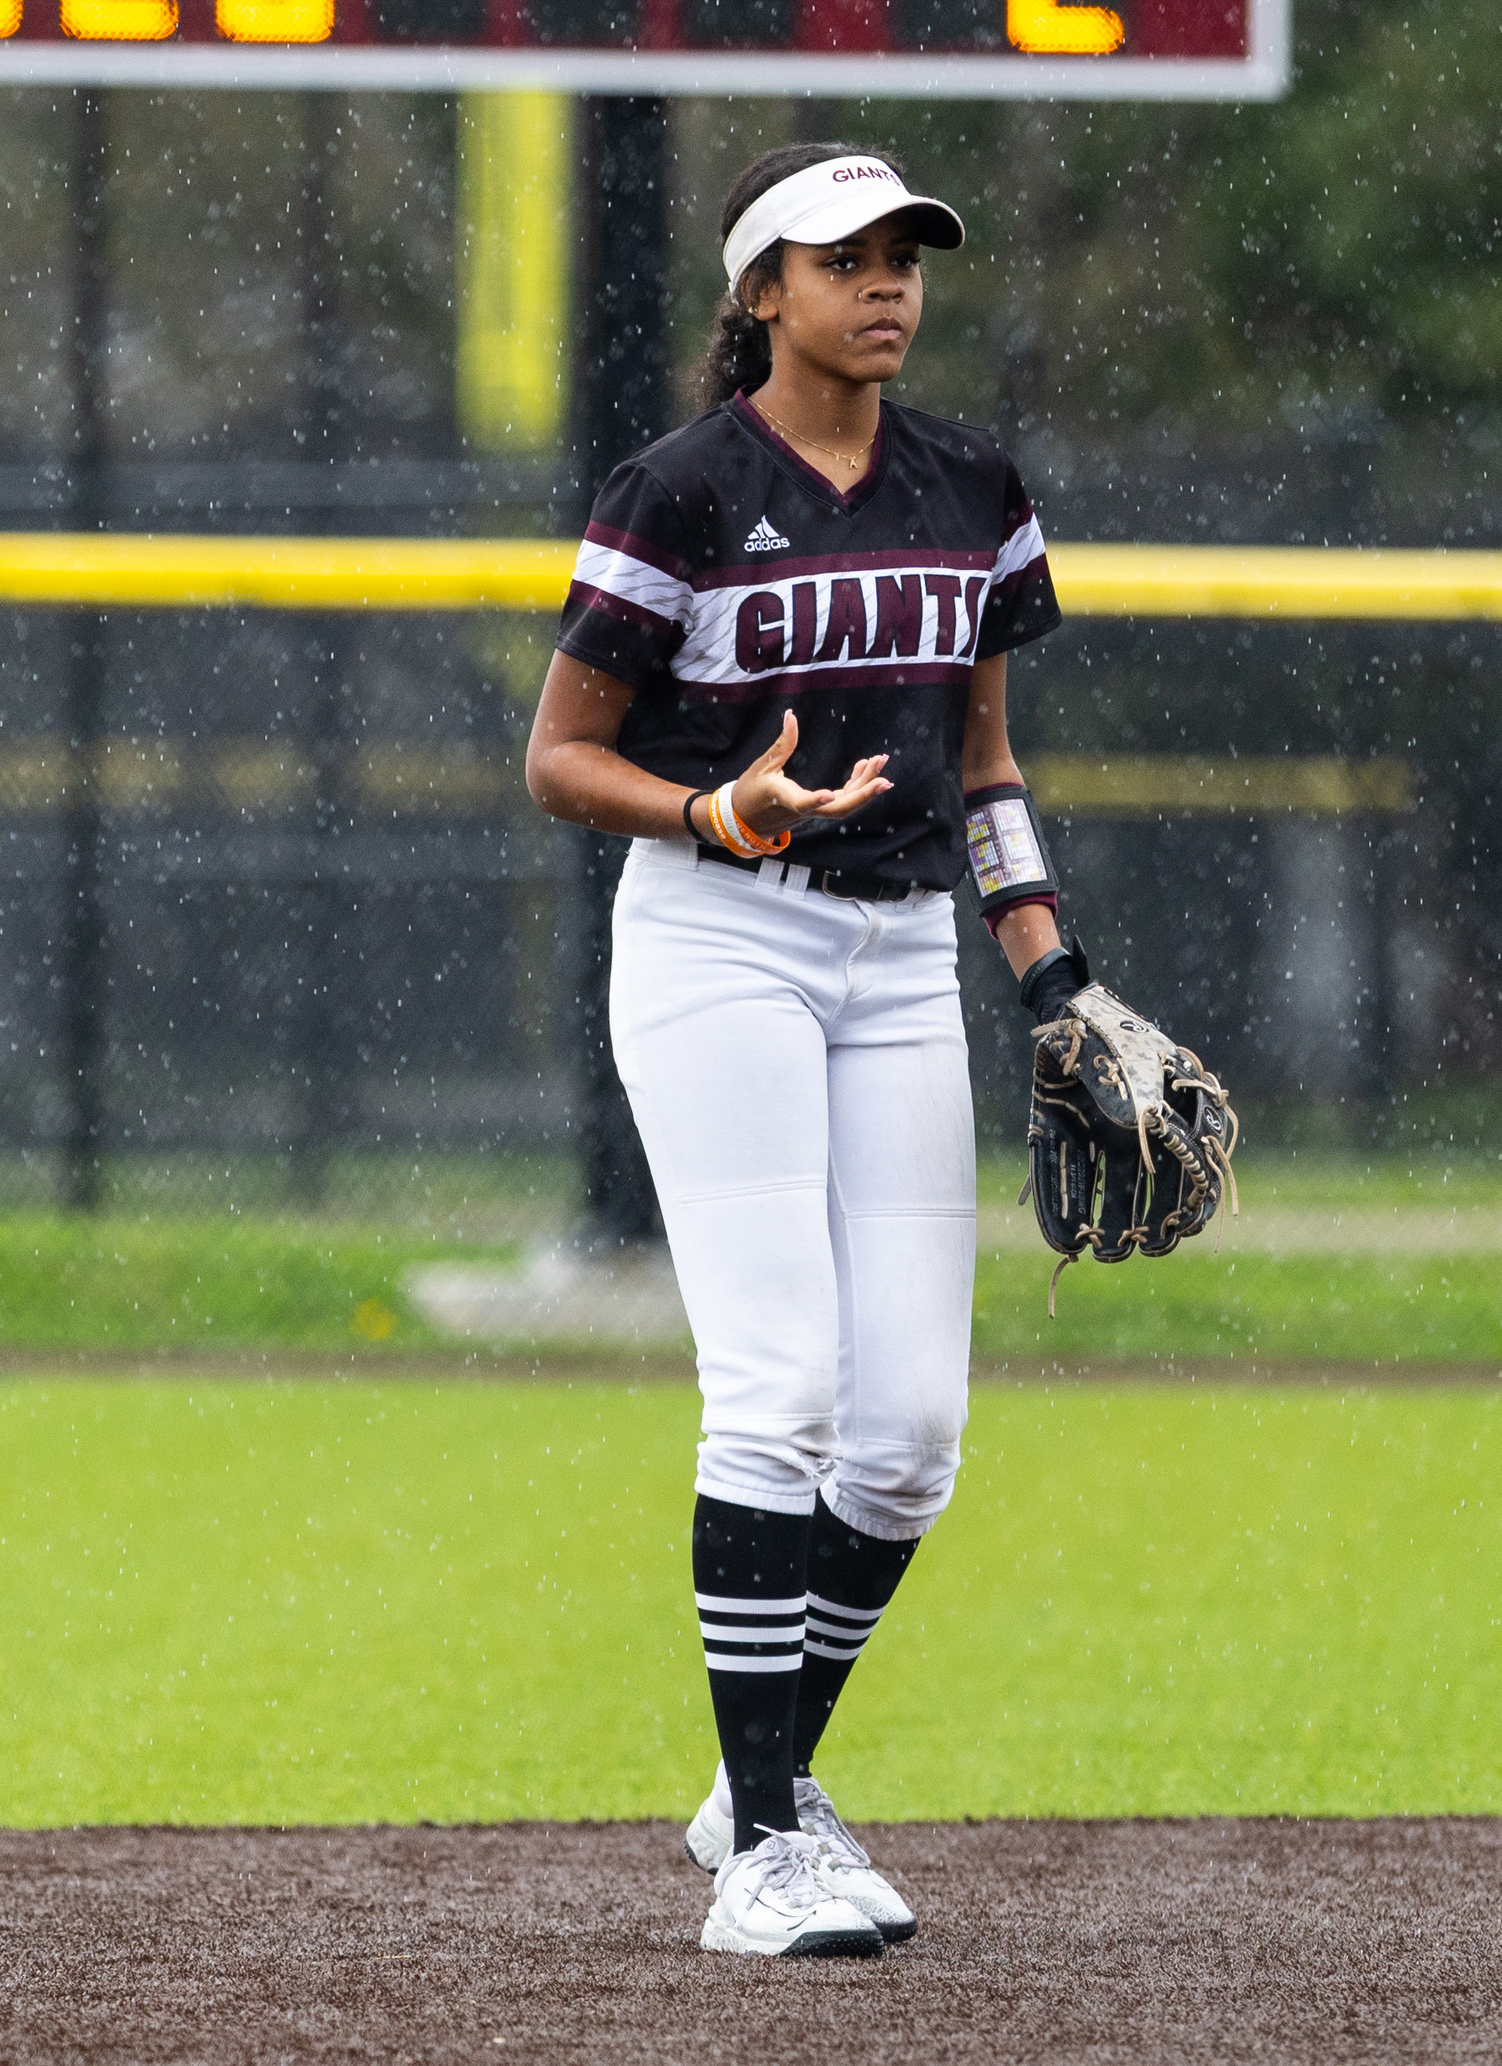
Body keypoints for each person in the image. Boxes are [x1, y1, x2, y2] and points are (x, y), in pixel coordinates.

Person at [523, 141, 1092, 1958]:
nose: (888, 283)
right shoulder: (682, 487)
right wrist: (716, 812)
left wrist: (1051, 972)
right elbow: (560, 757)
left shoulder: (970, 482)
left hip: (903, 949)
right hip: (722, 943)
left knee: (912, 1427)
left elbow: (982, 756)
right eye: (844, 256)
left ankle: (754, 1784)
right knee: (780, 1383)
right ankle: (768, 1847)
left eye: (907, 253)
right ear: (759, 292)